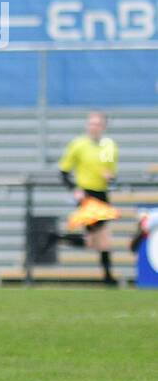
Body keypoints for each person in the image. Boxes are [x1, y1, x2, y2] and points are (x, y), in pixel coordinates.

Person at [57, 110, 119, 285]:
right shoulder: (78, 145)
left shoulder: (108, 146)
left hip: (102, 194)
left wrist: (110, 177)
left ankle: (58, 238)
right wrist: (74, 189)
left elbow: (111, 174)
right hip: (86, 195)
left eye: (97, 124)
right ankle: (108, 278)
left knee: (95, 241)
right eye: (91, 123)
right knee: (103, 237)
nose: (94, 127)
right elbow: (63, 172)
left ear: (103, 126)